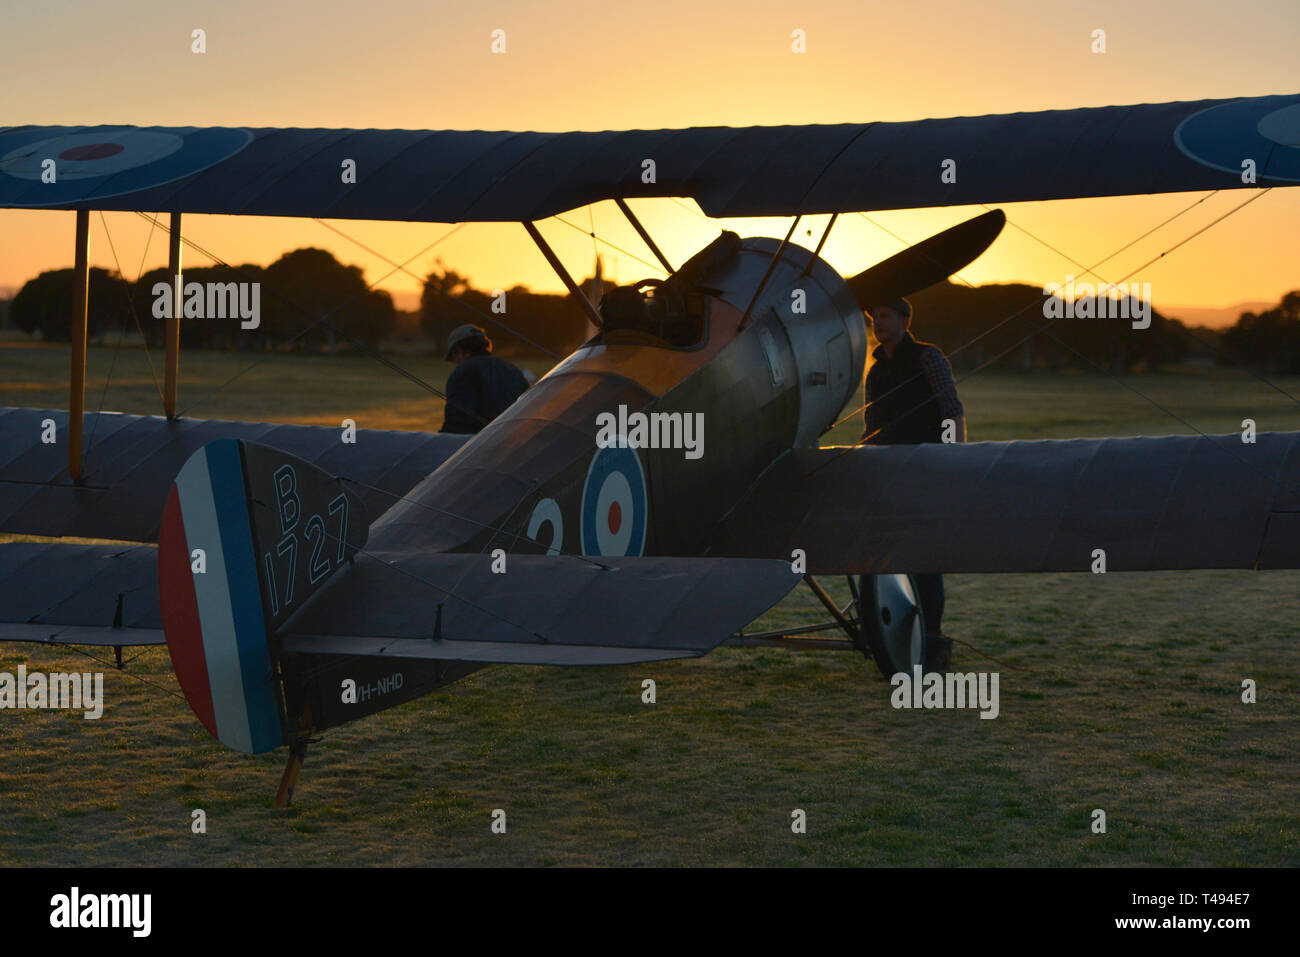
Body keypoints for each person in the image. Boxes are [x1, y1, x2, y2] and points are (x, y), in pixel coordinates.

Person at [859, 297, 965, 672]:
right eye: (874, 318)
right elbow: (871, 423)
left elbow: (951, 408)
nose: (878, 324)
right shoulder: (875, 371)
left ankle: (932, 640)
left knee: (924, 558)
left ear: (904, 321)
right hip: (887, 473)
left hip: (926, 468)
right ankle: (889, 639)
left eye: (884, 317)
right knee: (887, 556)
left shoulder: (927, 357)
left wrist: (953, 461)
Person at [439, 324, 529, 434]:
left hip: (481, 444)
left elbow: (457, 420)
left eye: (454, 358)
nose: (456, 363)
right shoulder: (512, 369)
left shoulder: (462, 372)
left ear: (459, 351)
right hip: (516, 438)